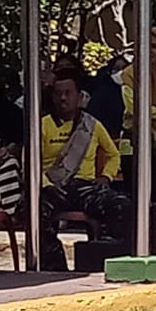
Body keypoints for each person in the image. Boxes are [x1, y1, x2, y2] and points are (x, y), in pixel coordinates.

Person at [38, 71, 129, 270]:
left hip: (85, 187)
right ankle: (55, 268)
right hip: (52, 188)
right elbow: (29, 162)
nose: (63, 98)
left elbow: (114, 154)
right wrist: (45, 185)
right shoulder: (41, 125)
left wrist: (106, 177)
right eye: (58, 93)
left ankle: (102, 262)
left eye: (68, 93)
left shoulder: (92, 125)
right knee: (35, 212)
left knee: (121, 205)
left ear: (79, 97)